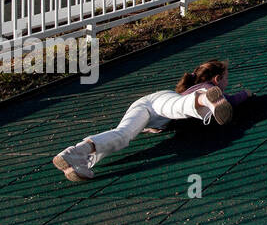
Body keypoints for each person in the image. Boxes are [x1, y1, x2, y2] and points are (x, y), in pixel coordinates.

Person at [52, 60, 248, 183]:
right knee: (177, 107)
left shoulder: (188, 88)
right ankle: (204, 100)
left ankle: (75, 155)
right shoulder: (204, 87)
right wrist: (245, 94)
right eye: (226, 78)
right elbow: (230, 101)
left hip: (145, 106)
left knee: (122, 135)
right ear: (217, 79)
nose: (226, 81)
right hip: (162, 102)